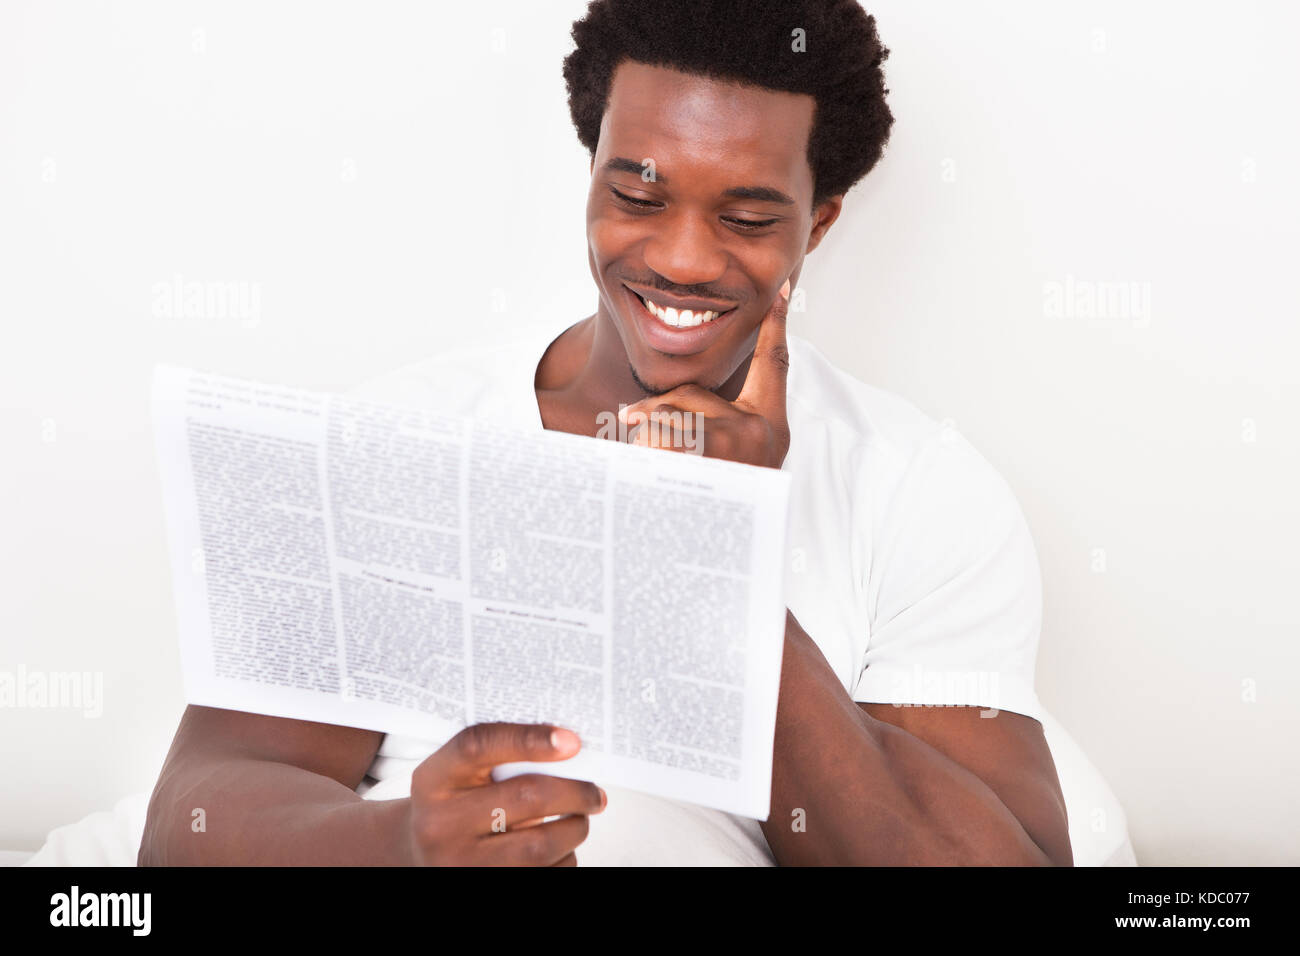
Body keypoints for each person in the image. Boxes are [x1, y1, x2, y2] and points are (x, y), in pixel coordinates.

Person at [139, 0, 1071, 866]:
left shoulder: (916, 489)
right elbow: (194, 814)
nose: (681, 260)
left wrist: (715, 553)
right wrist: (396, 847)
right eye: (637, 199)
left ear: (818, 223)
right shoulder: (405, 435)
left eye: (746, 218)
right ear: (591, 176)